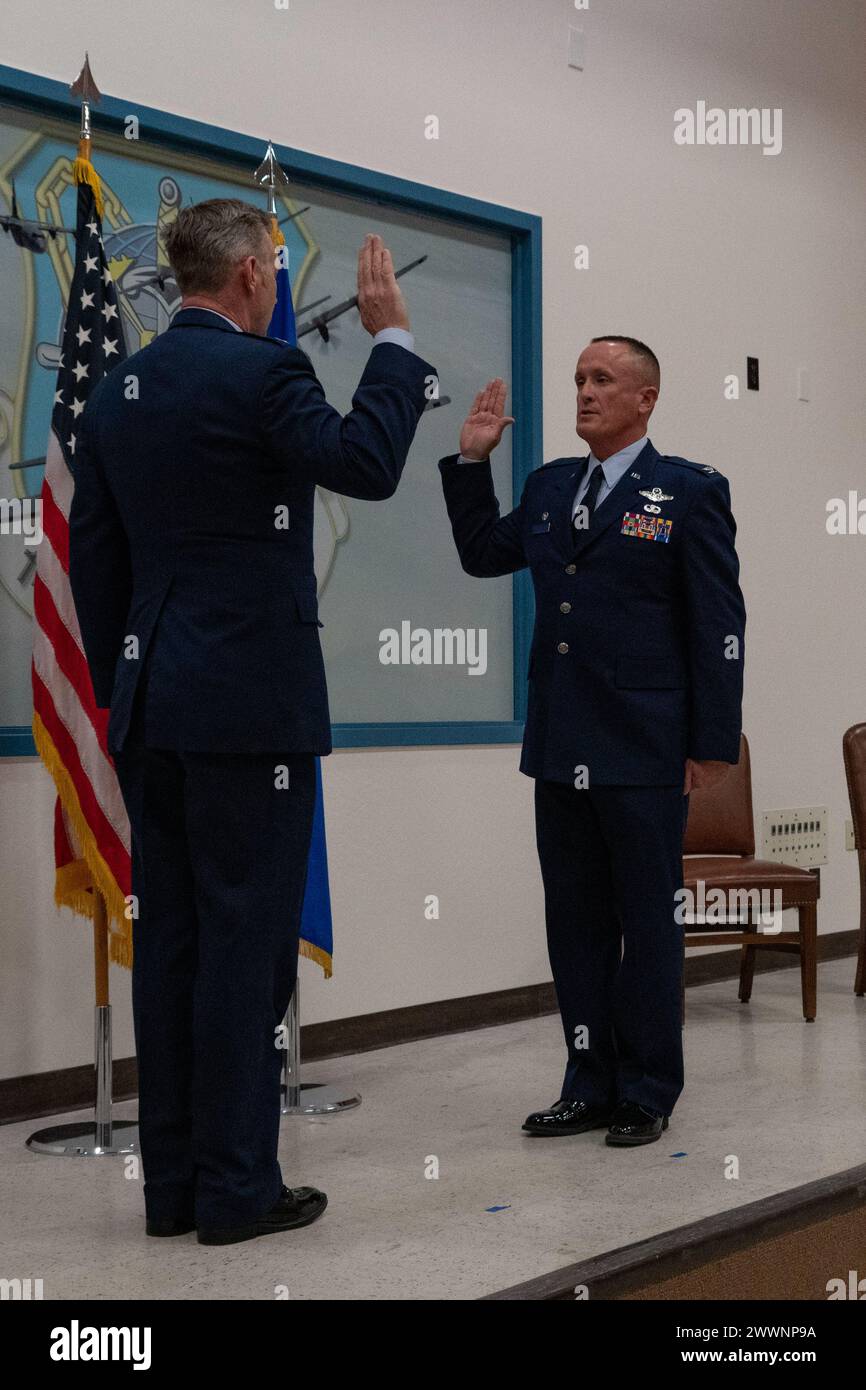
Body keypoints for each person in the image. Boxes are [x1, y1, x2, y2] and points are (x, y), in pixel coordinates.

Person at [69, 199, 435, 1241]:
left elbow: (96, 558)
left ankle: (175, 1188)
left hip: (152, 709)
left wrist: (121, 686)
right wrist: (393, 343)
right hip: (247, 711)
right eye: (271, 267)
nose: (274, 282)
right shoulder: (263, 371)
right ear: (248, 278)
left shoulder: (116, 390)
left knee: (175, 945)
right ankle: (236, 1191)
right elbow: (362, 461)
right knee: (246, 947)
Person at [438, 337, 745, 1146]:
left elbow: (718, 623)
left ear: (646, 398)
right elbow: (479, 556)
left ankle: (646, 1087)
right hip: (561, 739)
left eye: (602, 379)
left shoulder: (686, 492)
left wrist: (713, 743)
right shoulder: (547, 489)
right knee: (573, 922)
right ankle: (587, 1080)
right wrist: (472, 465)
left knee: (646, 922)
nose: (584, 392)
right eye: (579, 379)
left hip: (645, 745)